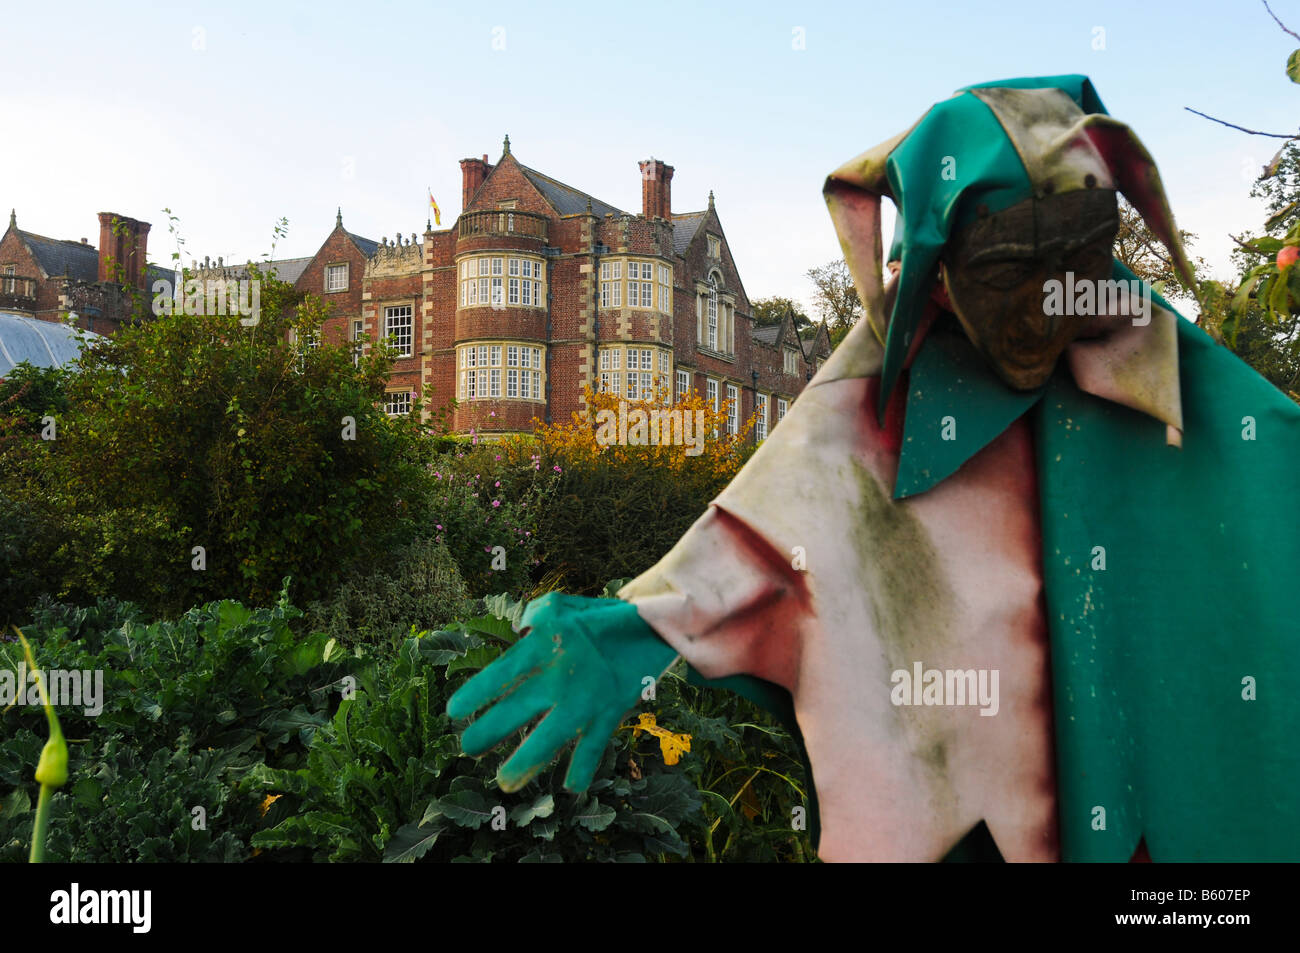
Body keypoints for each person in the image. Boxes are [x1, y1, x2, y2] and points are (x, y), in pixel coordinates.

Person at [448, 75, 1300, 862]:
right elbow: (785, 522)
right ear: (932, 274)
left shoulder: (1171, 374)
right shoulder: (885, 387)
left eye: (1081, 254)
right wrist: (642, 626)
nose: (1054, 304)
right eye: (1008, 269)